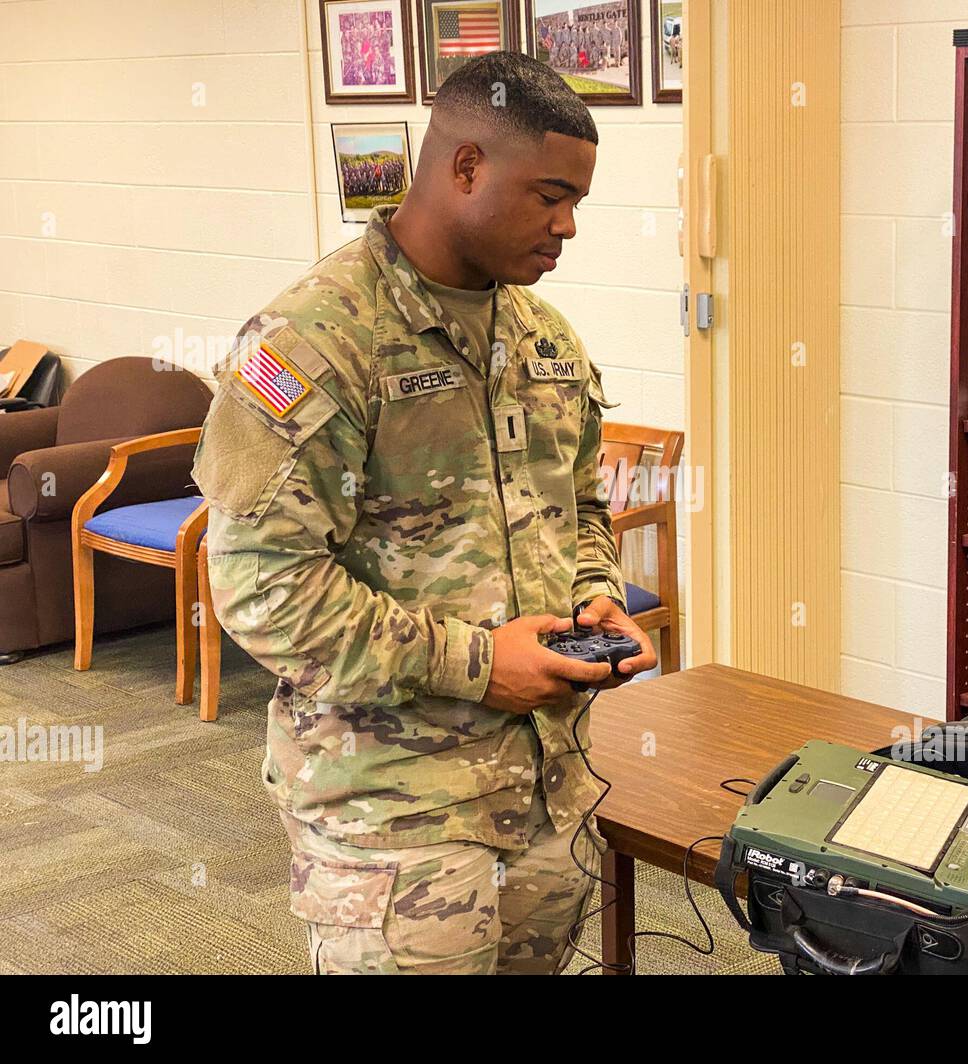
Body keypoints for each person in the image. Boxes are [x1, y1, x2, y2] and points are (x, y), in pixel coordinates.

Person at [192, 51, 656, 975]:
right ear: (467, 167)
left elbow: (584, 505)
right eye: (550, 196)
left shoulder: (541, 336)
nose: (568, 228)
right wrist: (481, 665)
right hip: (393, 814)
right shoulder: (314, 342)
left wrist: (595, 595)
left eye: (578, 204)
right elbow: (261, 587)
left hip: (544, 791)